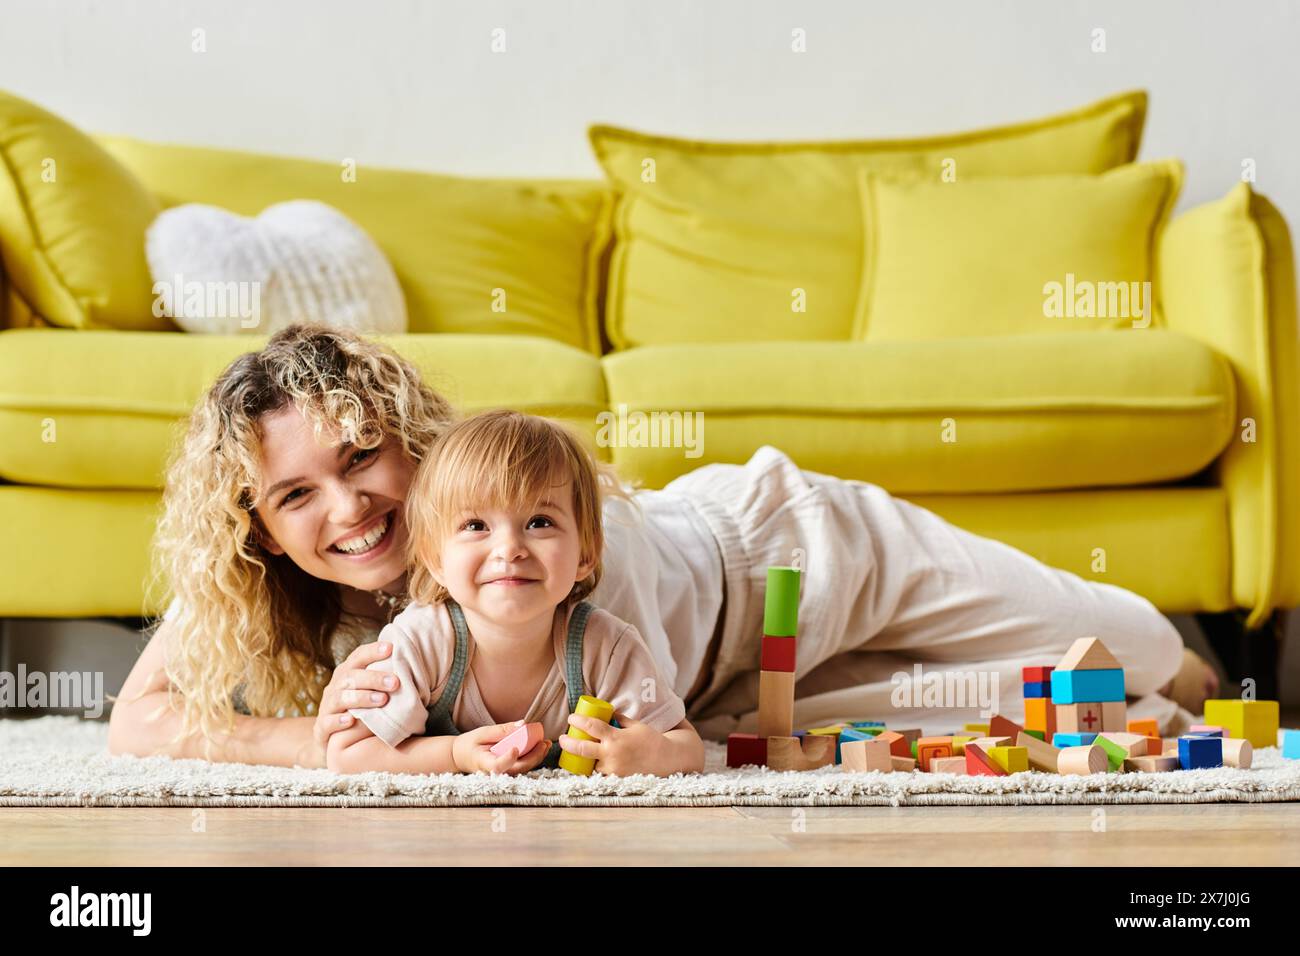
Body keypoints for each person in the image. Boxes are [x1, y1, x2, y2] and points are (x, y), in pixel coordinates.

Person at [108, 324, 1213, 768]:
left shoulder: (493, 524)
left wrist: (361, 743)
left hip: (796, 554)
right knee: (1013, 714)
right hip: (728, 692)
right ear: (252, 525)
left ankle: (1196, 669)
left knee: (1145, 649)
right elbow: (137, 719)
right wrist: (318, 737)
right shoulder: (255, 575)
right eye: (295, 493)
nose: (344, 508)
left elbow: (528, 743)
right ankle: (1153, 709)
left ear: (409, 443)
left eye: (361, 459)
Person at [327, 409, 703, 777]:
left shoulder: (607, 646)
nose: (509, 549)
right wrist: (454, 754)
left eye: (539, 522)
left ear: (585, 553)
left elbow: (687, 747)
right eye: (475, 525)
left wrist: (652, 753)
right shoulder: (419, 642)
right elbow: (348, 753)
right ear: (435, 560)